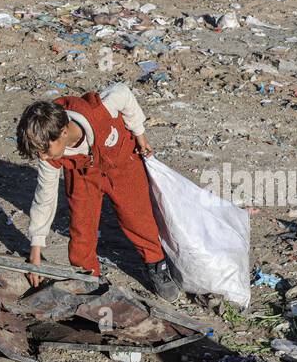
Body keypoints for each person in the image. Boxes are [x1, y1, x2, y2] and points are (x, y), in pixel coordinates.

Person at [15, 82, 180, 301]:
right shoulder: (51, 156)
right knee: (81, 228)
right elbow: (44, 197)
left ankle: (156, 264)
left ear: (63, 132)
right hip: (83, 175)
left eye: (45, 150)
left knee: (138, 217)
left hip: (121, 163)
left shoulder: (97, 110)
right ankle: (87, 278)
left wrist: (139, 133)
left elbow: (122, 92)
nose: (42, 157)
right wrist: (35, 249)